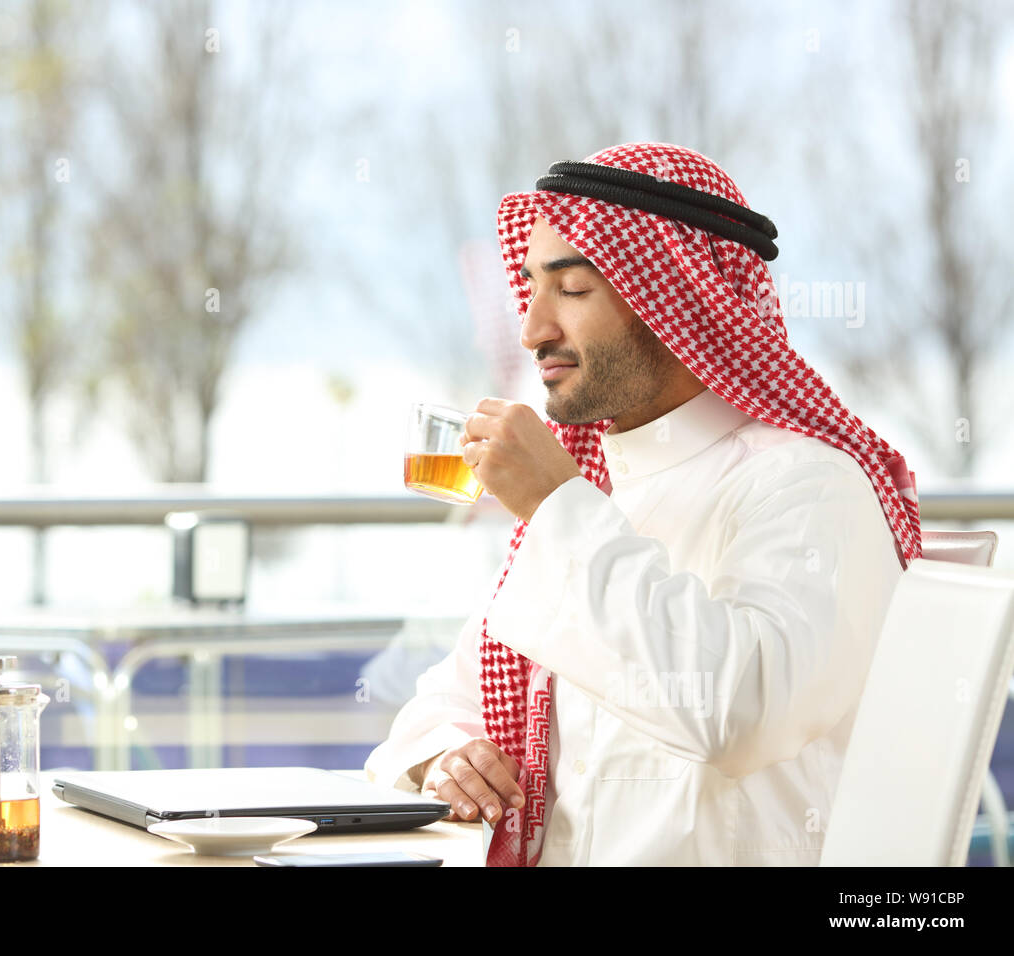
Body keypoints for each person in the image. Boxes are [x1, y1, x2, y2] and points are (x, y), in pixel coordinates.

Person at [364, 142, 921, 866]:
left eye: (571, 290)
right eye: (529, 289)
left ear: (677, 299)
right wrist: (445, 756)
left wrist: (557, 502)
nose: (533, 330)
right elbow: (438, 705)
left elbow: (738, 713)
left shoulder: (811, 486)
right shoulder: (596, 488)